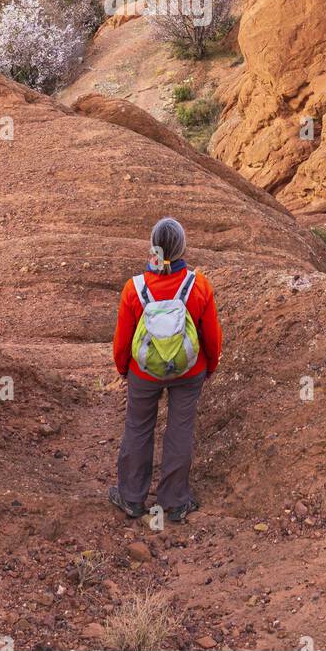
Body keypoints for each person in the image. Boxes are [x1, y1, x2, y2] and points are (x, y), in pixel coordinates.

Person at [109, 217, 222, 523]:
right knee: (180, 430)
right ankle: (175, 502)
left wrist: (124, 368)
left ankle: (131, 498)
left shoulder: (134, 289)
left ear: (152, 246)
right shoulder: (198, 285)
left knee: (138, 427)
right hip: (188, 371)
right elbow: (210, 334)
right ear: (182, 247)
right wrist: (210, 365)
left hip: (144, 372)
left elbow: (123, 338)